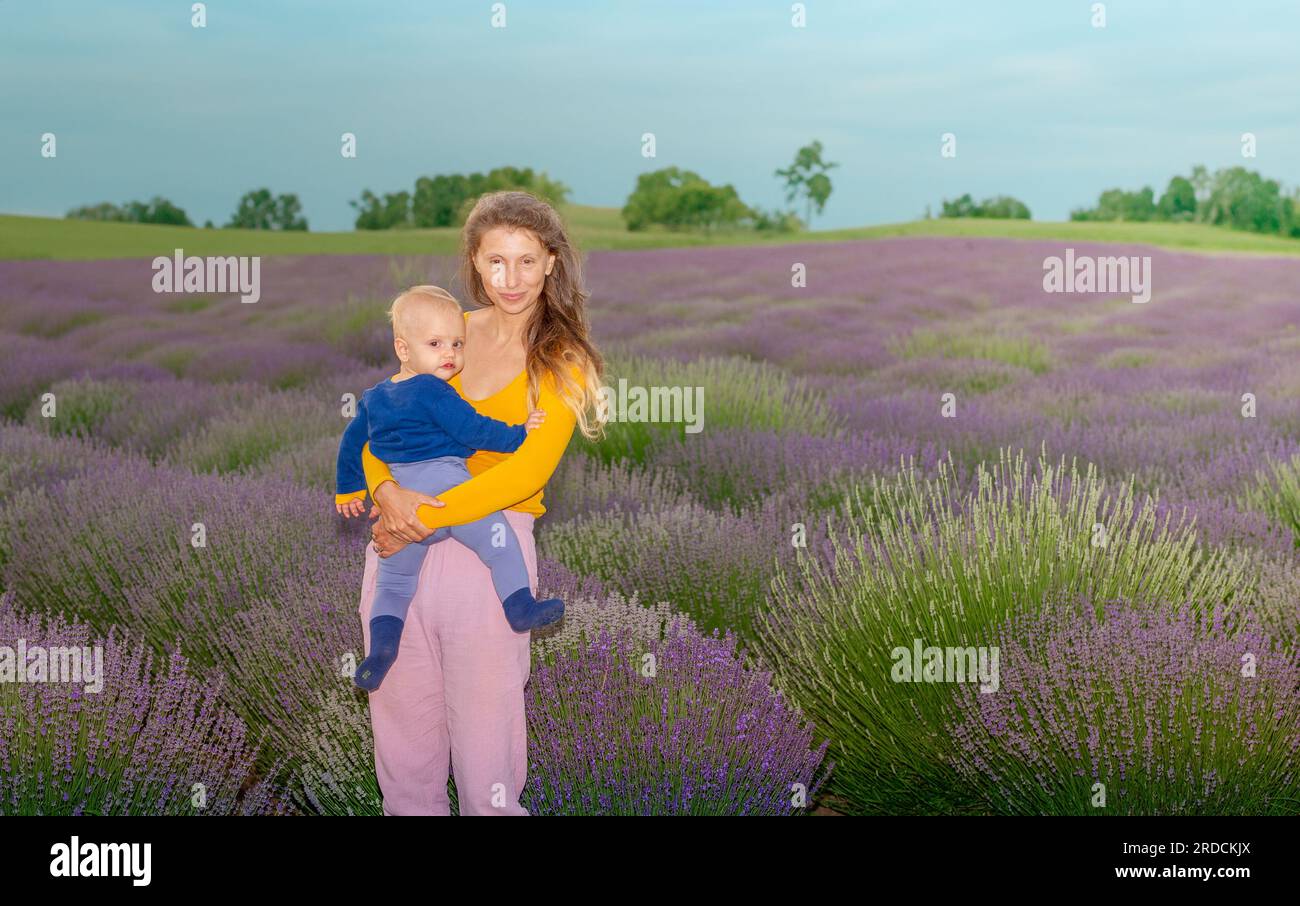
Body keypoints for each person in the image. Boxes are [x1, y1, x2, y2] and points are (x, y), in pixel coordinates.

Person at [357, 190, 604, 815]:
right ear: (474, 261)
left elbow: (527, 471)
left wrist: (421, 517)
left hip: (489, 553)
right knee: (403, 750)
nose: (511, 279)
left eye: (526, 261)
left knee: (486, 758)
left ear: (552, 261)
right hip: (398, 551)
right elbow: (376, 431)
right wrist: (386, 494)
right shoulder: (446, 333)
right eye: (496, 262)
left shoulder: (561, 358)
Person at [335, 286, 564, 693]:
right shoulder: (434, 390)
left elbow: (354, 443)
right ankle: (520, 607)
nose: (450, 354)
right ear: (403, 349)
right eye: (436, 344)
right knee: (499, 544)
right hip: (448, 492)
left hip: (403, 506)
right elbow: (472, 430)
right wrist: (520, 435)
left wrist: (349, 491)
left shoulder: (374, 397)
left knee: (393, 584)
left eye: (458, 344)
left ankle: (381, 652)